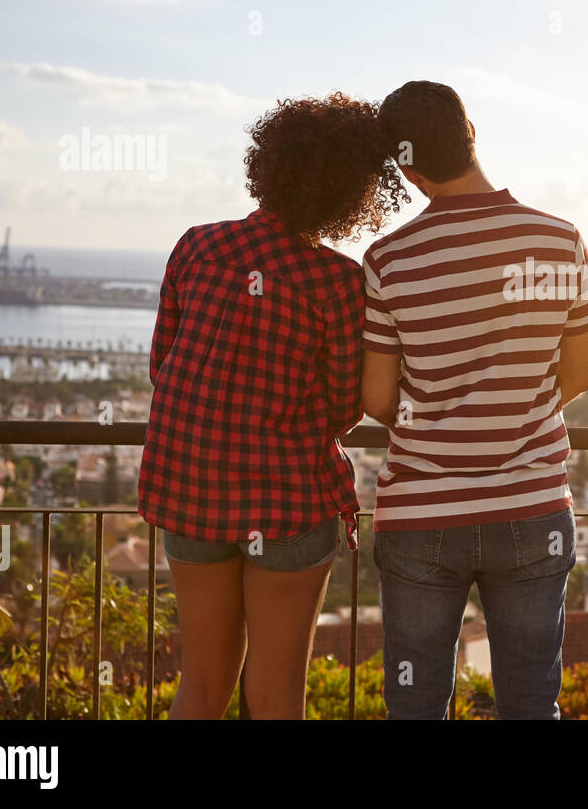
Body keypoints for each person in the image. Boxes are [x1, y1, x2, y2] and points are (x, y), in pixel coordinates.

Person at [138, 92, 408, 719]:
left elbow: (164, 367)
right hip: (287, 502)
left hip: (188, 493)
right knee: (277, 690)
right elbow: (345, 405)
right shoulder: (338, 282)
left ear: (271, 163)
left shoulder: (196, 247)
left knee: (201, 684)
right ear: (353, 192)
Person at [361, 80, 588, 719]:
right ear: (472, 135)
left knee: (414, 705)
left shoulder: (389, 259)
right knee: (529, 702)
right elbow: (576, 378)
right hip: (531, 508)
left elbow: (377, 396)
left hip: (421, 514)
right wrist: (511, 413)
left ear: (405, 166)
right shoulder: (559, 241)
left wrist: (435, 419)